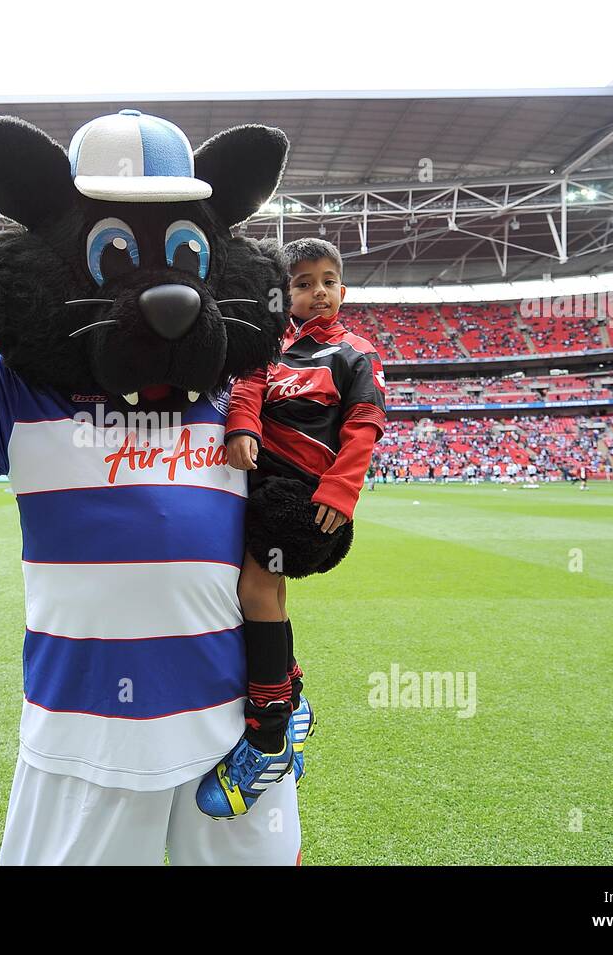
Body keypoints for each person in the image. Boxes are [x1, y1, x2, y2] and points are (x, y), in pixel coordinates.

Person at [195, 238, 386, 818]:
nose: (317, 291)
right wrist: (241, 429)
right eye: (303, 283)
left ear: (343, 290)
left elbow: (364, 425)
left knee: (256, 591)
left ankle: (269, 734)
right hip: (256, 488)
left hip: (302, 496)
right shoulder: (269, 348)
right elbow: (249, 390)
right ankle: (294, 698)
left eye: (328, 280)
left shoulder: (354, 352)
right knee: (262, 595)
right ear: (285, 295)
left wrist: (340, 491)